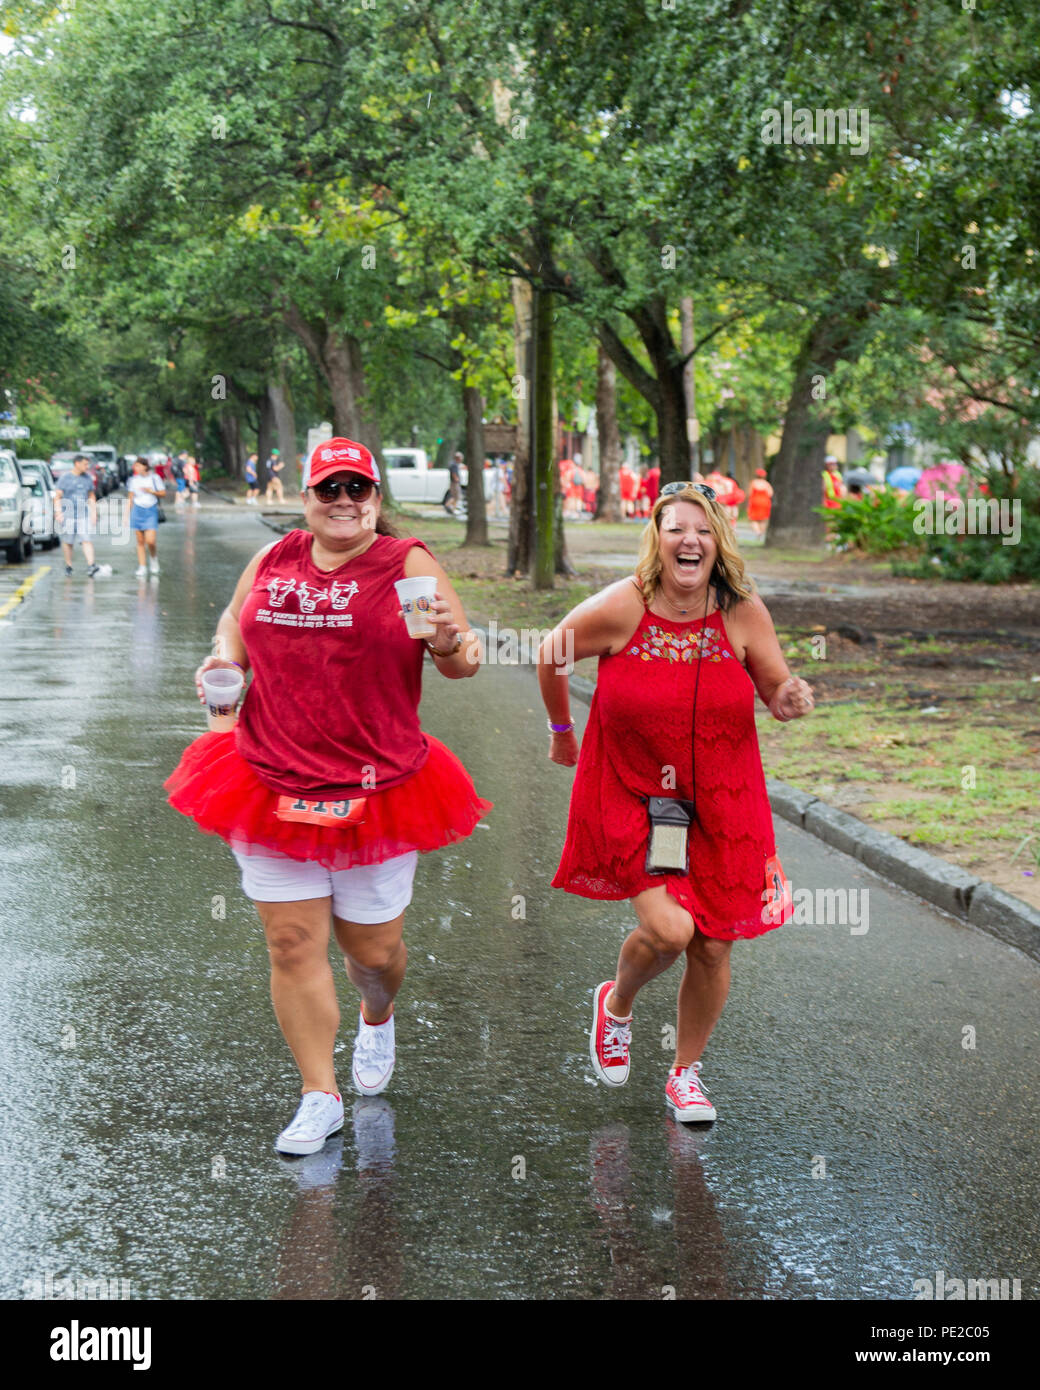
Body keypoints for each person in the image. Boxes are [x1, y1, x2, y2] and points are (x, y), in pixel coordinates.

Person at [165, 437, 491, 1156]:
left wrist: (447, 642)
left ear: (375, 496)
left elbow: (462, 660)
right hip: (270, 777)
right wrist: (223, 660)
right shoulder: (274, 558)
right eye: (329, 488)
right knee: (290, 943)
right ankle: (320, 1095)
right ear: (307, 497)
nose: (344, 500)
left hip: (378, 787)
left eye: (357, 488)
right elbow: (234, 621)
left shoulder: (405, 565)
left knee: (373, 952)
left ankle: (378, 1013)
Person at [538, 480, 814, 1124]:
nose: (691, 541)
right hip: (634, 793)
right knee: (670, 930)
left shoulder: (742, 611)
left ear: (719, 542)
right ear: (657, 540)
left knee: (713, 945)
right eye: (677, 529)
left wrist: (789, 697)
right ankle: (616, 1005)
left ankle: (685, 1073)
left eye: (703, 530)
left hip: (724, 800)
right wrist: (561, 731)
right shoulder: (623, 606)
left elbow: (774, 688)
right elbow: (552, 653)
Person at [54, 454, 101, 578]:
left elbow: (91, 496)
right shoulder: (65, 478)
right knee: (68, 542)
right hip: (67, 514)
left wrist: (94, 512)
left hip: (83, 514)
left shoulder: (87, 478)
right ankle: (68, 566)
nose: (87, 466)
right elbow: (58, 497)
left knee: (86, 539)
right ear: (77, 464)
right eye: (85, 464)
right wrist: (58, 512)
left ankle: (91, 565)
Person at [124, 455, 166, 576]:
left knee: (151, 541)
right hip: (137, 510)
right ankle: (142, 566)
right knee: (140, 541)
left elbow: (163, 493)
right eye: (135, 466)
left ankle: (153, 559)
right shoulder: (133, 480)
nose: (135, 468)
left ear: (145, 466)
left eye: (138, 465)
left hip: (151, 510)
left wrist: (151, 491)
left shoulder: (155, 478)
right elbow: (130, 498)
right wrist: (126, 515)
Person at [746, 468, 774, 538]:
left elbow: (749, 493)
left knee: (752, 519)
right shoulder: (766, 484)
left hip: (755, 502)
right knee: (763, 519)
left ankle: (757, 532)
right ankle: (761, 532)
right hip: (765, 502)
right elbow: (771, 493)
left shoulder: (753, 482)